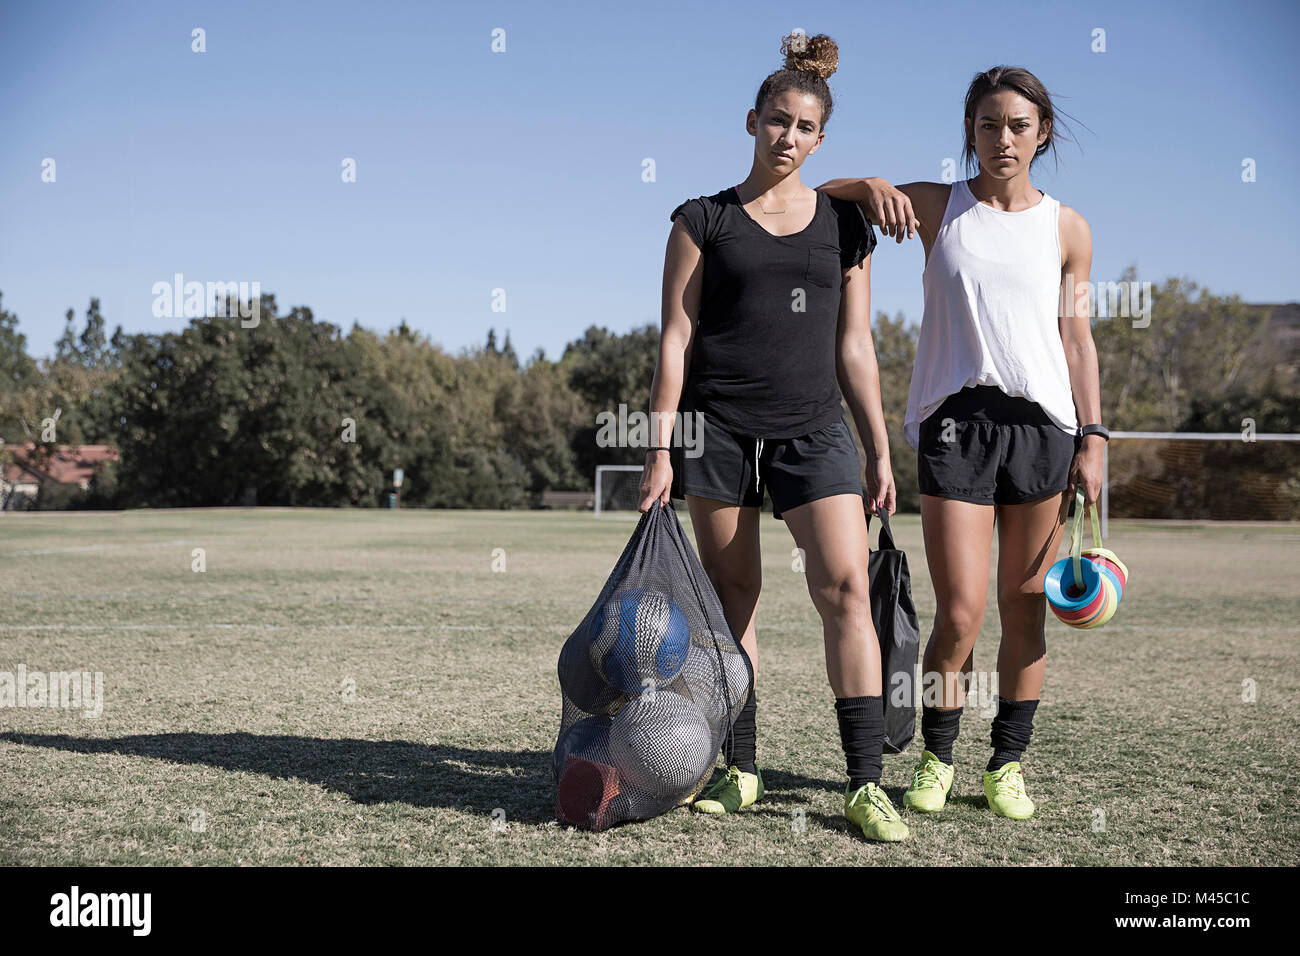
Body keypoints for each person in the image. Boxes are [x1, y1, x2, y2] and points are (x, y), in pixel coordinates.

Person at [637, 32, 908, 841]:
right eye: (776, 122)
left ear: (820, 139)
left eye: (803, 127)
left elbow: (855, 345)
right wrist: (658, 450)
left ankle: (865, 784)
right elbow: (674, 340)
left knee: (846, 592)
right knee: (732, 603)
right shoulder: (702, 219)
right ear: (752, 121)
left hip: (814, 432)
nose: (787, 137)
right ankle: (742, 768)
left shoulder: (845, 225)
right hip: (717, 431)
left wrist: (879, 446)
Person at [818, 65, 1106, 820]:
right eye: (987, 125)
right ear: (969, 132)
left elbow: (1077, 337)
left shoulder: (1067, 228)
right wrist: (873, 181)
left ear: (1041, 133)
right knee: (961, 613)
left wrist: (1095, 435)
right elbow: (819, 198)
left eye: (1017, 125)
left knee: (1025, 606)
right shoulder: (940, 206)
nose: (1001, 139)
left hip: (1044, 428)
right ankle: (939, 758)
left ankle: (1006, 763)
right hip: (955, 427)